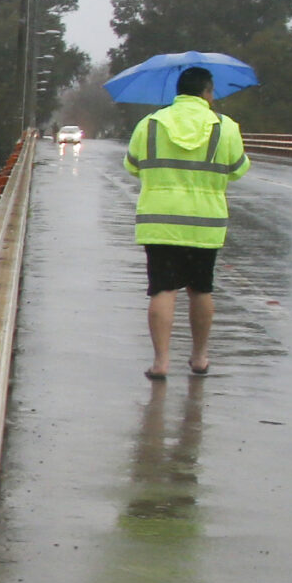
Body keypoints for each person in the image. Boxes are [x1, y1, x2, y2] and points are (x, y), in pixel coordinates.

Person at [124, 65, 249, 379]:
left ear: (177, 91)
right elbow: (237, 169)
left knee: (163, 290)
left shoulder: (150, 124)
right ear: (207, 92)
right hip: (204, 222)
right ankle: (199, 357)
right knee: (201, 289)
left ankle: (161, 362)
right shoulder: (225, 127)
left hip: (160, 219)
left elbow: (133, 166)